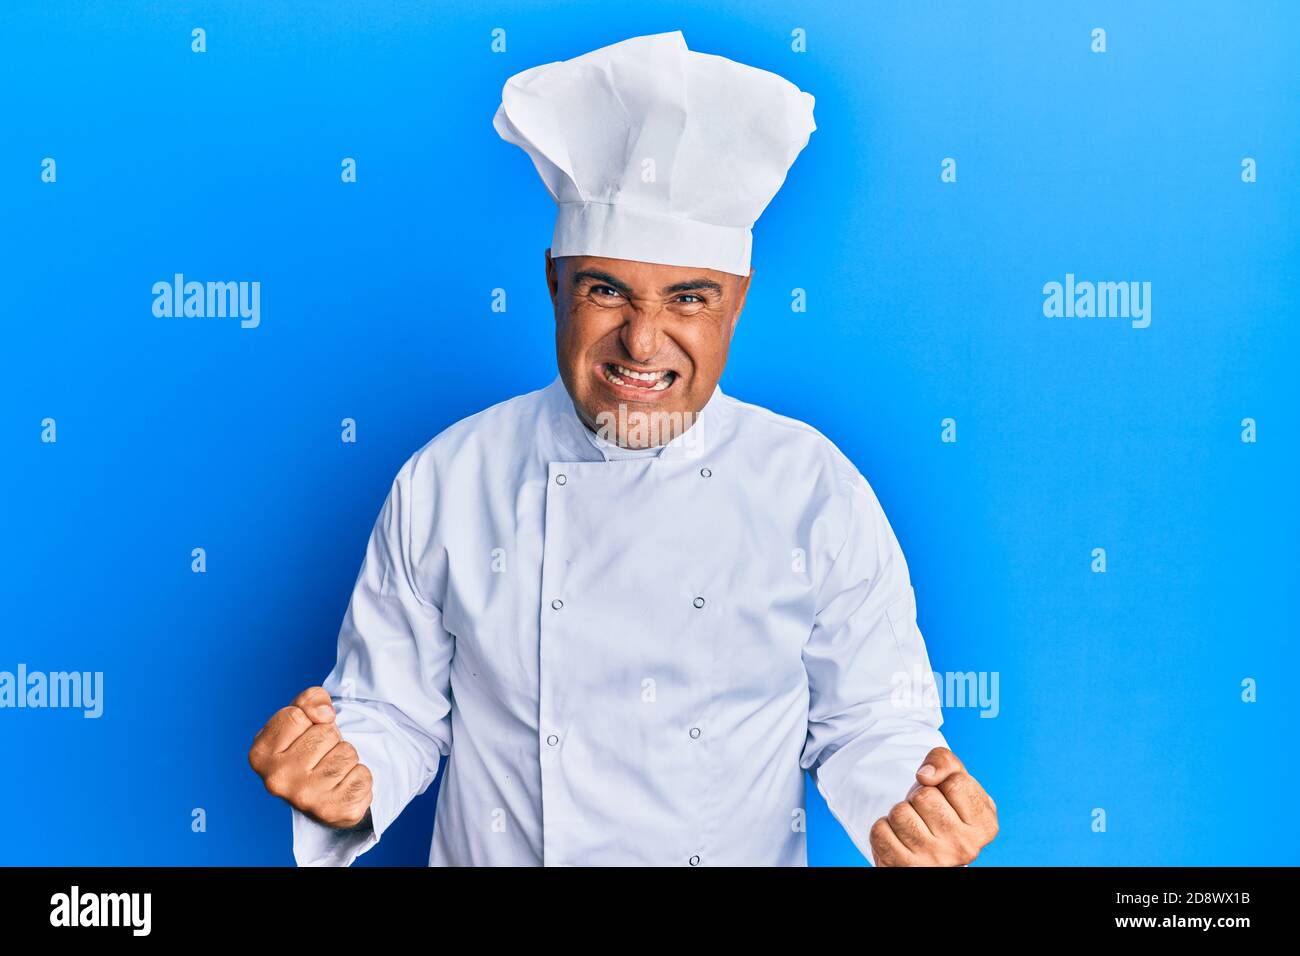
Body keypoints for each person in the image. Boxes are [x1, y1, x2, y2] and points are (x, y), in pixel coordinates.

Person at [248, 30, 998, 867]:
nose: (643, 343)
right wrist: (346, 780)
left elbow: (870, 724)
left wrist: (911, 806)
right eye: (606, 290)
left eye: (688, 298)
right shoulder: (449, 479)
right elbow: (390, 713)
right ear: (554, 283)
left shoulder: (812, 488)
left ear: (736, 303)